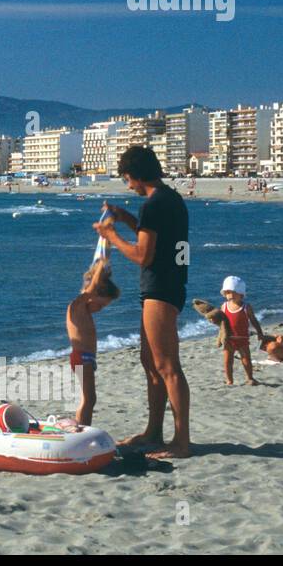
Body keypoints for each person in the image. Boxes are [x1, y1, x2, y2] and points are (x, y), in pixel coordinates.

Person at [94, 145, 191, 459]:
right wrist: (125, 219)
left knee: (167, 366)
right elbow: (155, 237)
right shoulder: (170, 199)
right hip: (170, 284)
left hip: (160, 287)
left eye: (127, 180)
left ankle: (181, 442)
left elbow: (142, 255)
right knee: (150, 364)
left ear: (133, 175)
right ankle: (154, 431)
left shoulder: (154, 204)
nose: (128, 186)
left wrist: (112, 238)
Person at [66, 256, 119, 425]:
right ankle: (82, 428)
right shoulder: (77, 305)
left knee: (89, 398)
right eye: (101, 305)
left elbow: (92, 291)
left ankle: (83, 427)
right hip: (81, 357)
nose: (100, 309)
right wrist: (99, 268)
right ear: (94, 296)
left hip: (87, 358)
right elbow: (90, 290)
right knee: (88, 399)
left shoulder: (85, 310)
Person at [195, 276, 263, 385]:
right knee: (227, 361)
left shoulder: (246, 307)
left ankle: (250, 378)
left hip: (242, 338)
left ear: (241, 293)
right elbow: (221, 322)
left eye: (232, 292)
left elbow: (253, 320)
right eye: (227, 293)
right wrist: (214, 322)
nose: (229, 295)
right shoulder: (224, 306)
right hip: (228, 339)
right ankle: (229, 380)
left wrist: (260, 332)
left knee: (246, 359)